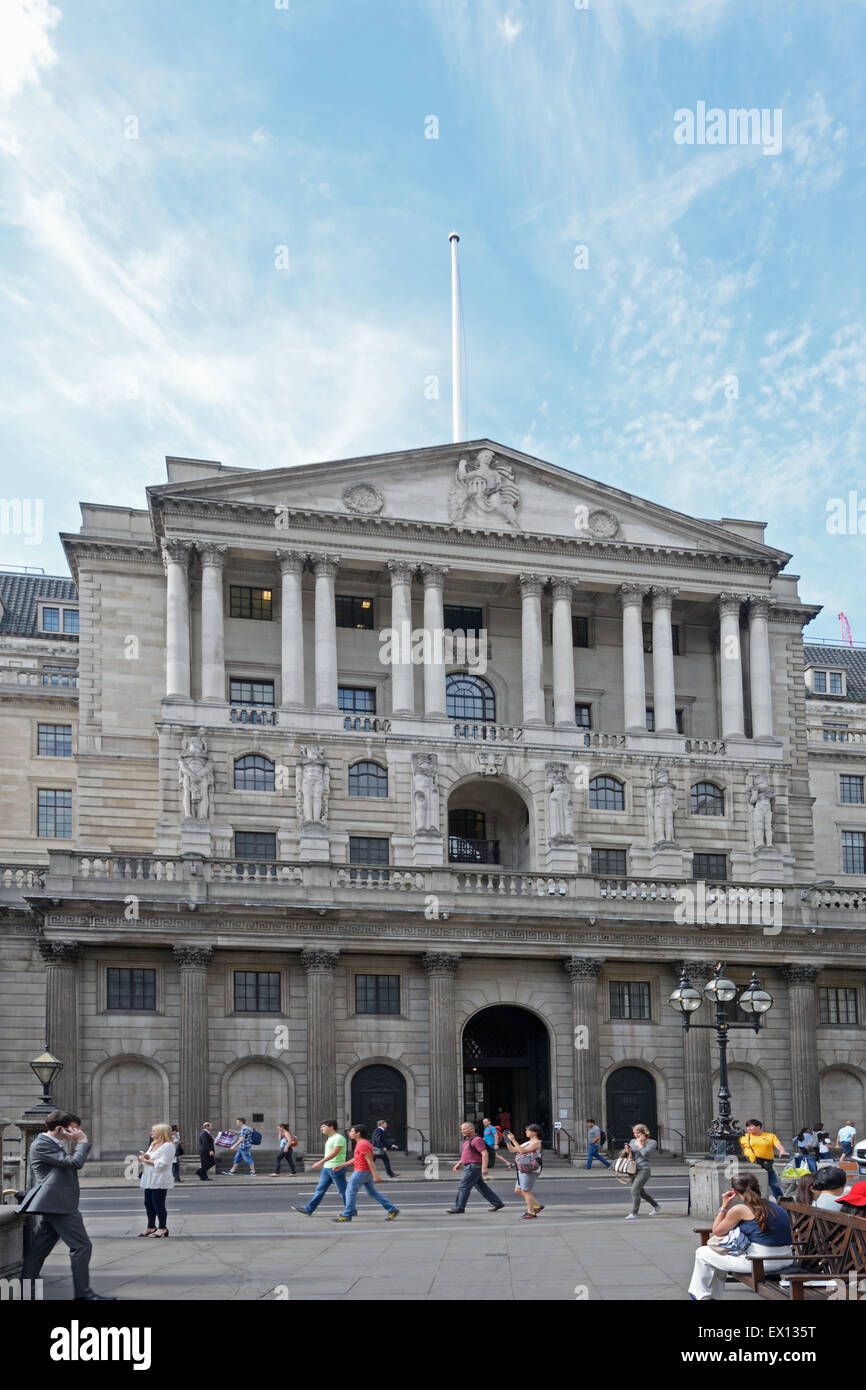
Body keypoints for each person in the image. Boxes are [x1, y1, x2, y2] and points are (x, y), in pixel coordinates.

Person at [18, 1110, 116, 1301]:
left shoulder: (51, 1143)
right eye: (74, 1128)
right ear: (59, 1128)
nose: (77, 1132)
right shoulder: (41, 1145)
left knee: (39, 1250)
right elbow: (75, 1162)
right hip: (58, 1205)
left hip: (56, 1203)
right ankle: (84, 1294)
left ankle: (25, 1291)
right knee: (81, 1247)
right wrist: (82, 1141)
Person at [688, 1175, 793, 1300]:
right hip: (787, 1258)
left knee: (702, 1252)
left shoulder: (740, 1209)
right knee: (717, 1257)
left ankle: (701, 1295)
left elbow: (717, 1231)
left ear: (735, 1191)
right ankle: (707, 1296)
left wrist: (724, 1205)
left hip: (761, 1263)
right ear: (758, 1187)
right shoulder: (775, 1206)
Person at [332, 1125, 399, 1222]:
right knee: (372, 1193)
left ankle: (347, 1215)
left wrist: (376, 1175)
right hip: (365, 1172)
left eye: (352, 1131)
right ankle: (392, 1209)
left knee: (350, 1191)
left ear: (358, 1133)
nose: (350, 1133)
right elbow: (357, 1158)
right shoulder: (362, 1143)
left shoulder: (362, 1144)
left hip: (361, 1172)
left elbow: (370, 1160)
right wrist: (343, 1165)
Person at [446, 1122, 505, 1214]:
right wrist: (459, 1163)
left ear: (472, 1129)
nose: (462, 1131)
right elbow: (467, 1154)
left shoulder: (477, 1140)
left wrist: (484, 1167)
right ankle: (497, 1203)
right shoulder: (468, 1140)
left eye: (464, 1129)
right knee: (481, 1186)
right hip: (469, 1166)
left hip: (474, 1166)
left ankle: (459, 1207)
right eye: (461, 1129)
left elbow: (484, 1153)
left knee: (463, 1186)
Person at [292, 1121, 348, 1215]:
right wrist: (323, 1163)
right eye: (321, 1127)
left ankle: (351, 1209)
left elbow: (335, 1153)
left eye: (323, 1126)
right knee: (320, 1189)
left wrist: (320, 1162)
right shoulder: (330, 1138)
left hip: (336, 1167)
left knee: (343, 1190)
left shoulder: (339, 1138)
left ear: (331, 1127)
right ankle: (309, 1209)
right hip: (327, 1168)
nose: (321, 1128)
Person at [138, 1123, 176, 1237]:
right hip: (149, 1177)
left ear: (161, 1133)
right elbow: (151, 1157)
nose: (151, 1133)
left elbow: (163, 1163)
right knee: (148, 1203)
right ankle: (151, 1226)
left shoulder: (168, 1146)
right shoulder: (154, 1144)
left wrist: (145, 1161)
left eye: (154, 1131)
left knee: (158, 1204)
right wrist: (145, 1157)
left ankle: (162, 1228)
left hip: (159, 1178)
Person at [739, 1119, 788, 1199]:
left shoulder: (770, 1136)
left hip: (767, 1163)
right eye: (747, 1126)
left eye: (751, 1126)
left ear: (758, 1127)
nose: (748, 1128)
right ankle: (754, 1200)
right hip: (752, 1164)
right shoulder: (744, 1137)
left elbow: (777, 1144)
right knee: (752, 1185)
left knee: (774, 1184)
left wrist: (782, 1151)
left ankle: (781, 1200)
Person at [504, 1123, 545, 1218]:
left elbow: (522, 1151)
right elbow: (513, 1150)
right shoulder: (528, 1142)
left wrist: (513, 1140)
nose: (526, 1132)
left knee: (526, 1190)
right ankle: (537, 1206)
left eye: (528, 1130)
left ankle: (531, 1212)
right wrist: (507, 1140)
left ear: (534, 1132)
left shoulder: (536, 1142)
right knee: (518, 1190)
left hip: (531, 1169)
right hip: (523, 1168)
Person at [623, 1123, 660, 1219]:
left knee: (634, 1190)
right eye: (634, 1133)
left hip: (644, 1169)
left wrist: (639, 1143)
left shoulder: (652, 1142)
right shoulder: (632, 1141)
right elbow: (630, 1155)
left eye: (638, 1133)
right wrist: (627, 1151)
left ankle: (634, 1213)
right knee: (641, 1192)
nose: (636, 1135)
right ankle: (656, 1206)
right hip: (633, 1169)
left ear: (644, 1132)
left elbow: (645, 1154)